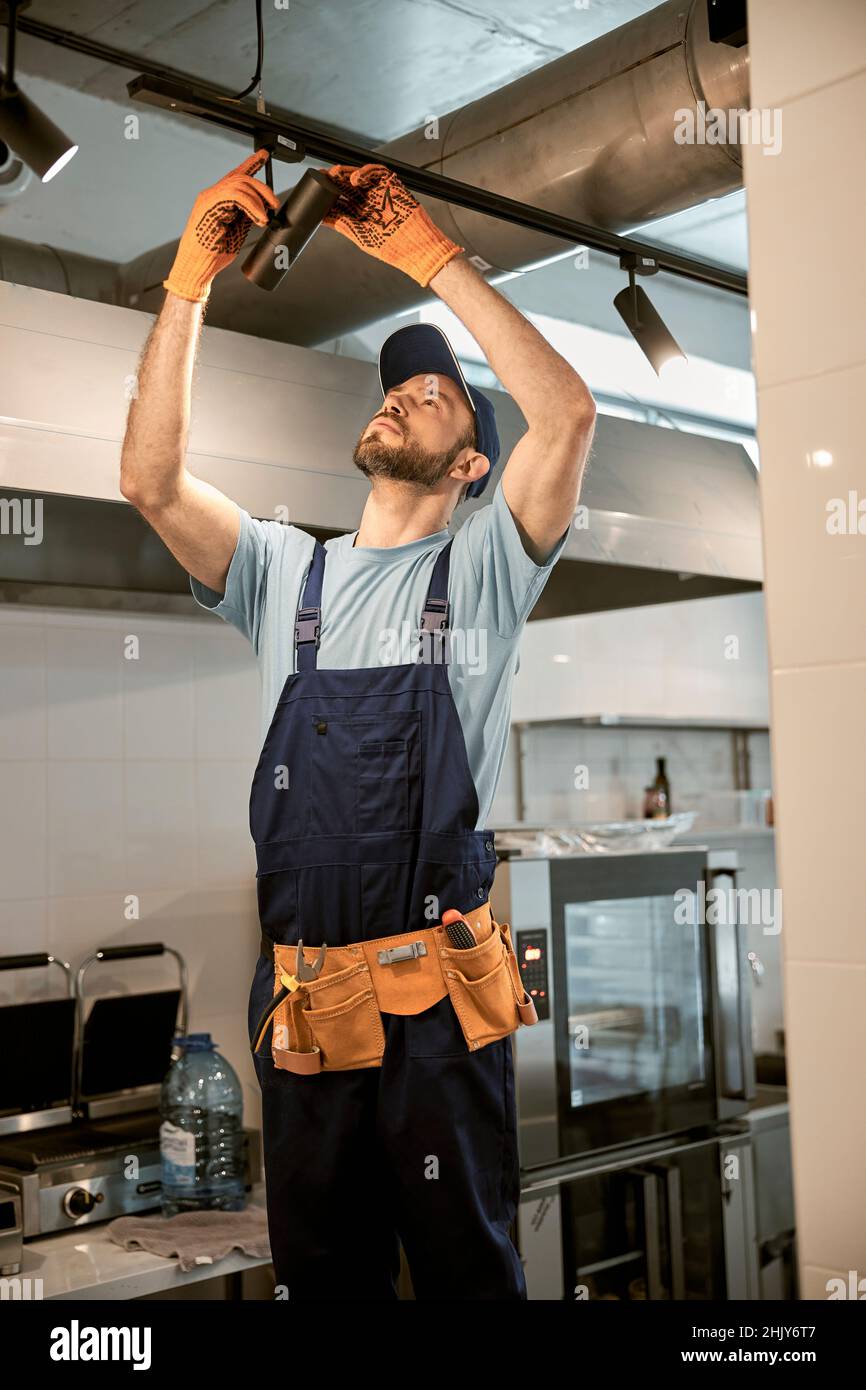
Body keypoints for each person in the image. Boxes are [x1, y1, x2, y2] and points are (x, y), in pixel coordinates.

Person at [120, 150, 596, 1300]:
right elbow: (149, 479)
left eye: (429, 392)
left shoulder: (483, 566)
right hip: (306, 1021)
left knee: (466, 1282)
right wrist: (189, 282)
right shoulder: (289, 574)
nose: (397, 392)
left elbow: (568, 411)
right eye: (393, 384)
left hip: (437, 1016)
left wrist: (430, 258)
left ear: (472, 461)